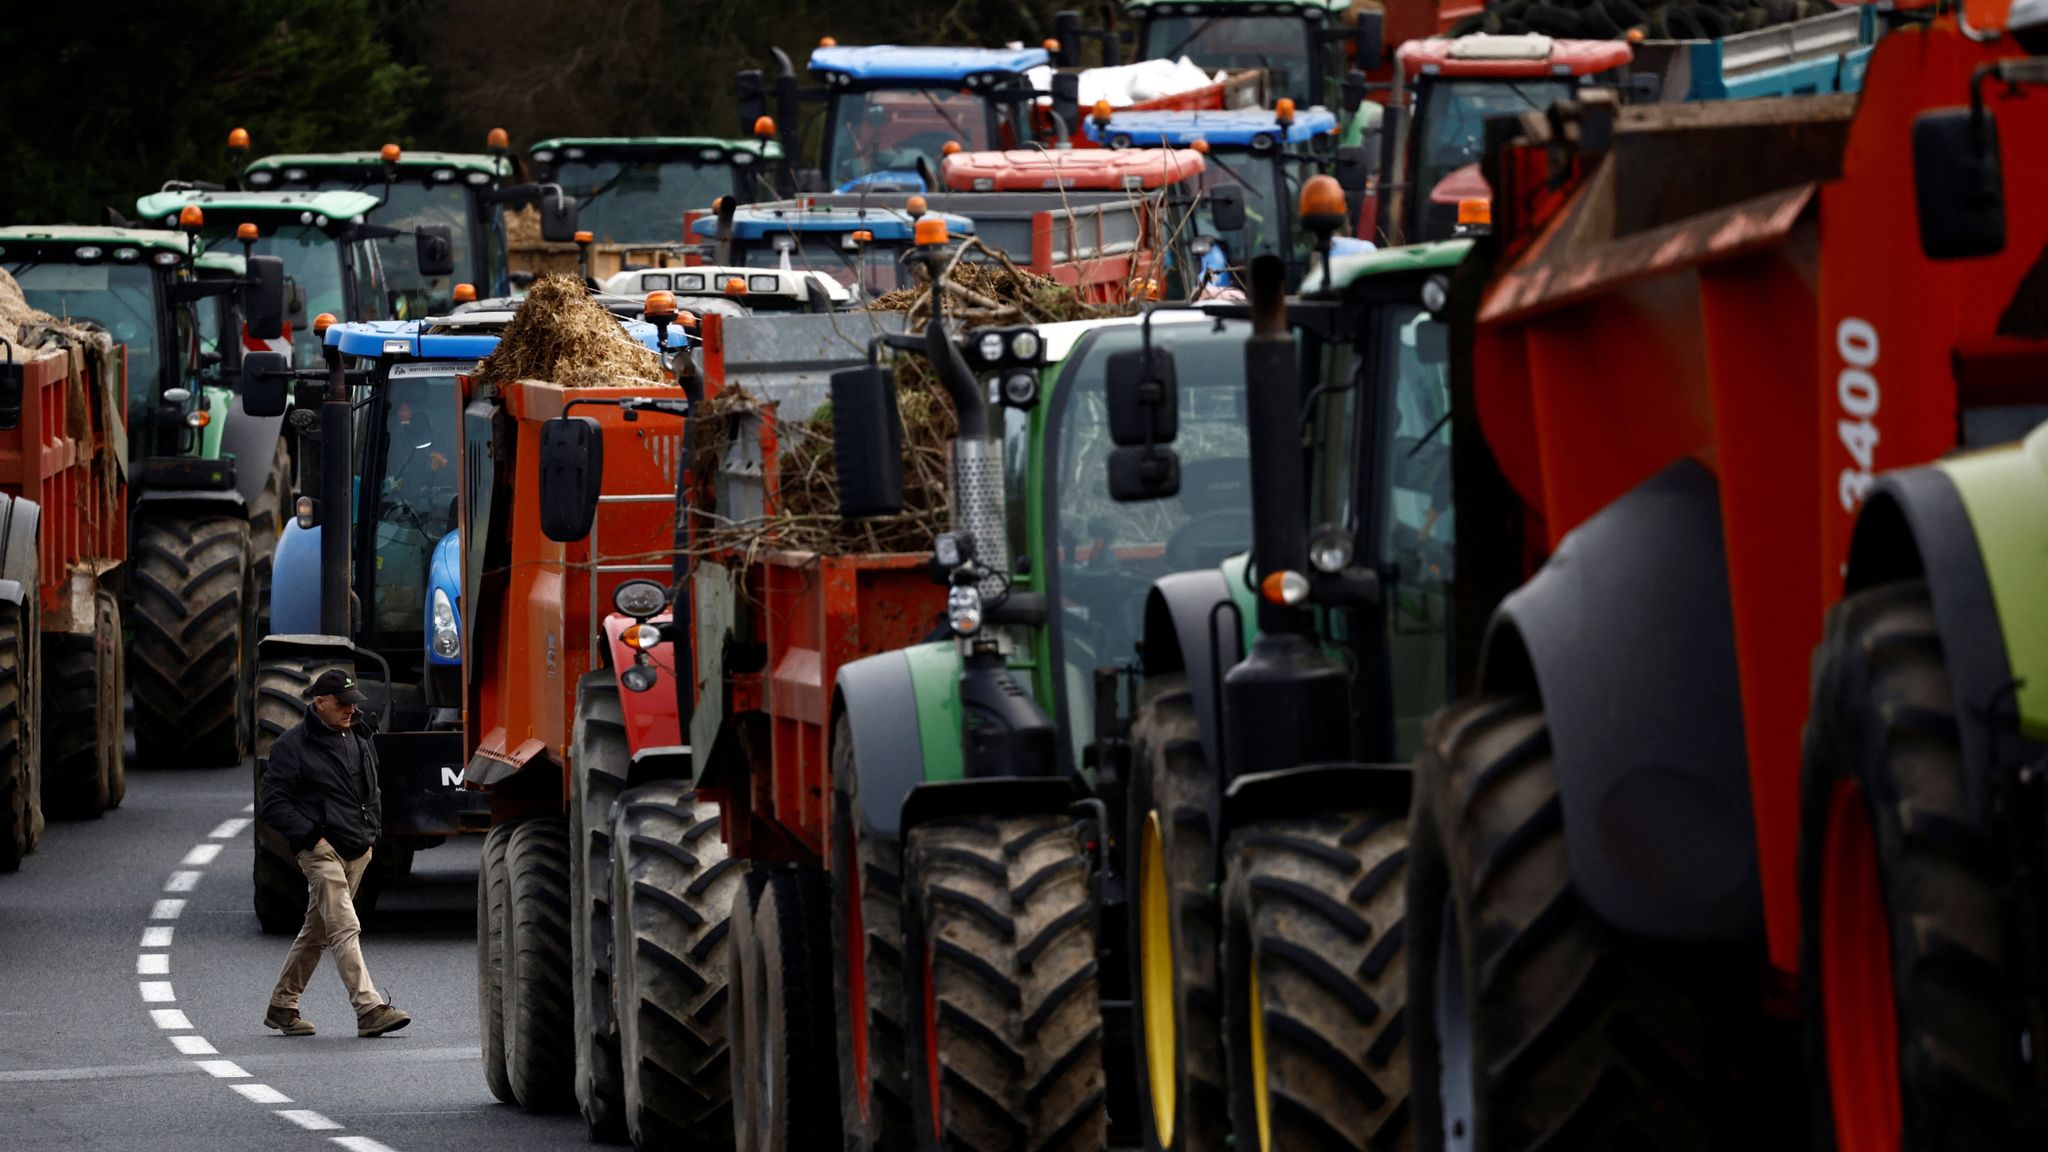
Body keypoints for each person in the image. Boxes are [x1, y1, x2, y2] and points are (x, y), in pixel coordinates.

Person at [259, 669, 411, 1038]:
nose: (349, 709)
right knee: (345, 926)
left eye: (353, 703)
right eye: (342, 704)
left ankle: (283, 1005)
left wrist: (372, 837)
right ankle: (369, 1008)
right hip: (320, 852)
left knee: (317, 930)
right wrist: (312, 838)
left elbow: (372, 791)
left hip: (358, 850)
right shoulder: (290, 747)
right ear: (320, 702)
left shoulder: (360, 736)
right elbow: (273, 804)